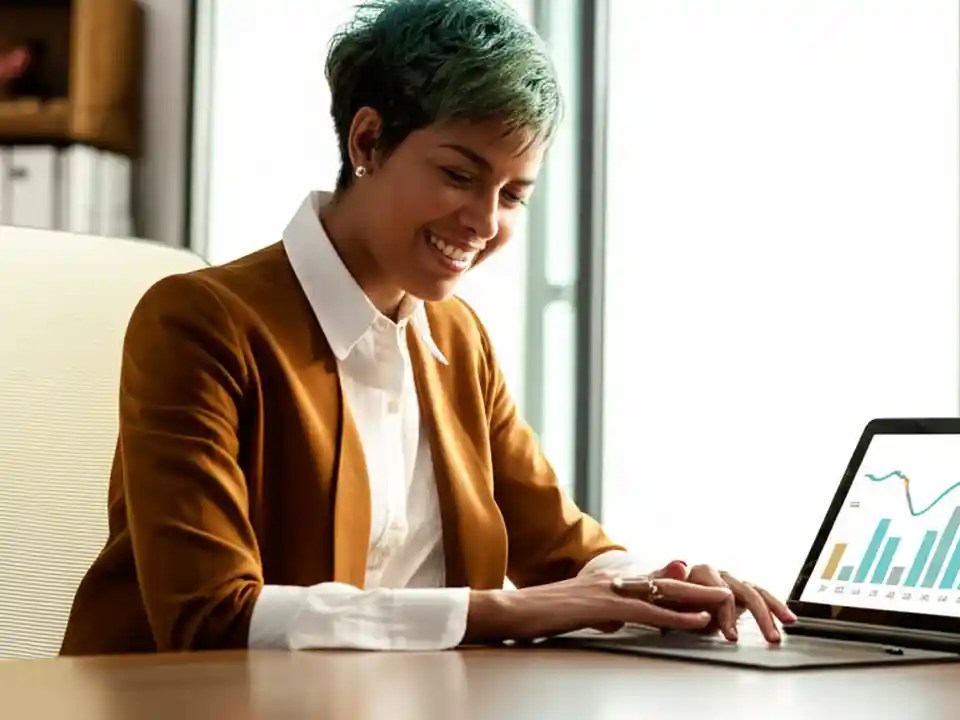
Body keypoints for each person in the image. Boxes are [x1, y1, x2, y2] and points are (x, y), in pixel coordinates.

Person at [60, 0, 795, 654]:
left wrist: (666, 584)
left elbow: (560, 546)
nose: (483, 222)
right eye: (459, 175)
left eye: (513, 194)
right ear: (369, 142)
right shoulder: (200, 322)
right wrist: (507, 611)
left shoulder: (456, 339)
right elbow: (213, 617)